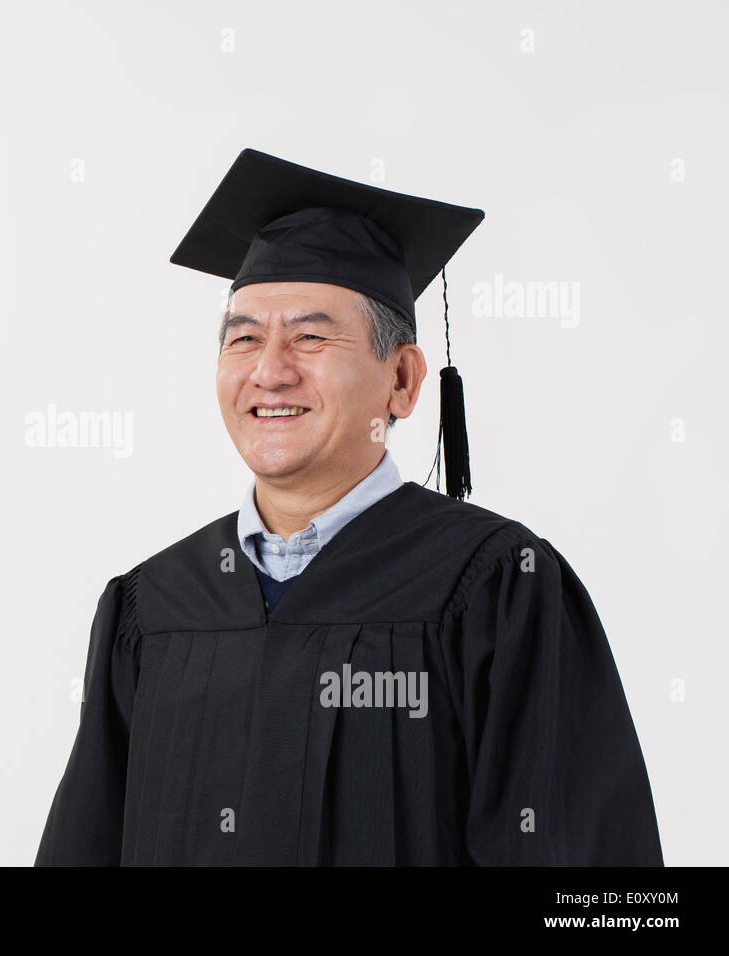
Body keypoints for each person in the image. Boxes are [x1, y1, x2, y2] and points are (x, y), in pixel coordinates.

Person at [33, 148, 662, 866]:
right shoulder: (151, 608)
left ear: (401, 378)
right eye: (243, 337)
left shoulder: (498, 589)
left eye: (310, 335)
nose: (270, 369)